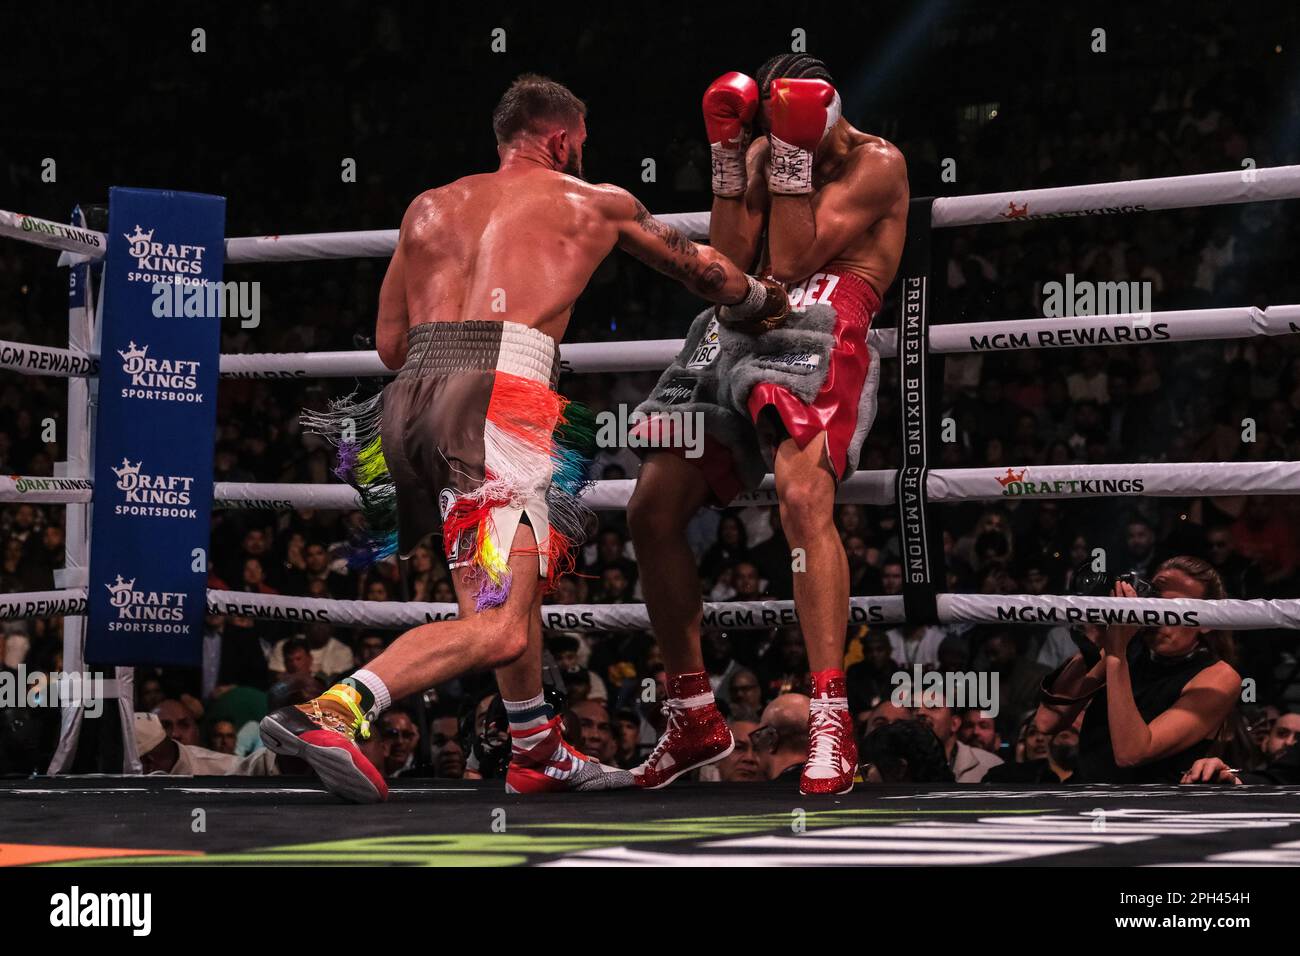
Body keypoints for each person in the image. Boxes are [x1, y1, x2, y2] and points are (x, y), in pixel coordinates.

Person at [261, 74, 788, 803]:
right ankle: (336, 707)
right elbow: (703, 273)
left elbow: (389, 344)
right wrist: (765, 298)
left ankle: (536, 746)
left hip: (411, 403)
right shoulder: (591, 199)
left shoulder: (428, 206)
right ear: (563, 140)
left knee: (508, 586)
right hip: (497, 397)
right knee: (501, 627)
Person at [627, 53, 908, 796]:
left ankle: (830, 720)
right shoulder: (760, 149)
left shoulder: (877, 162)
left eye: (790, 137)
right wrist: (729, 156)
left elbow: (790, 254)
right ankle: (690, 713)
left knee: (802, 499)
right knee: (651, 509)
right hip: (735, 321)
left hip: (823, 319)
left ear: (824, 115)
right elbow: (730, 254)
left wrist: (784, 154)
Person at [1035, 556, 1241, 784]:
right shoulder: (1128, 644)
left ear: (1206, 621)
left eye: (1172, 607)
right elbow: (1046, 722)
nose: (1157, 616)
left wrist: (1116, 652)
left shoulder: (1219, 677)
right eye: (1153, 602)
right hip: (1085, 792)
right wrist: (1095, 639)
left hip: (1149, 804)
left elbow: (1131, 754)